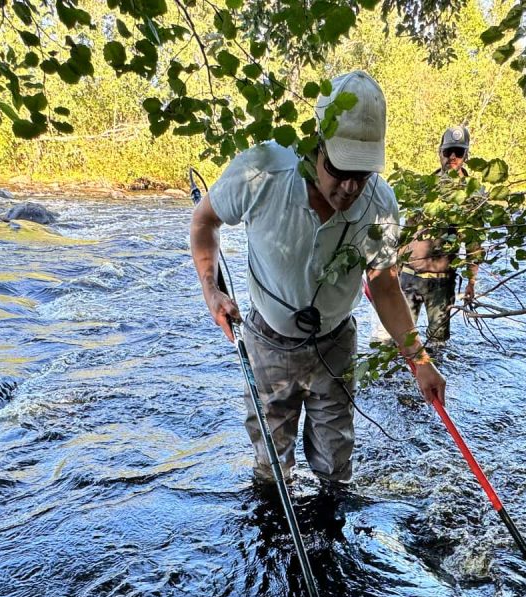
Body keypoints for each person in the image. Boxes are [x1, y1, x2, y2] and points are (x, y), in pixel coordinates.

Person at [190, 70, 446, 492]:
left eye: (362, 174)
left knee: (336, 468)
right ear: (316, 145)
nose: (348, 188)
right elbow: (204, 221)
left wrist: (420, 361)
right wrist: (211, 289)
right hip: (268, 341)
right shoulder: (262, 171)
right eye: (339, 168)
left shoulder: (380, 203)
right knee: (272, 468)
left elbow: (383, 285)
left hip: (335, 344)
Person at [397, 125, 483, 347]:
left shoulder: (472, 195)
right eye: (448, 152)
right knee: (401, 343)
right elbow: (406, 230)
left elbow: (474, 242)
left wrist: (472, 281)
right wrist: (393, 266)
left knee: (437, 346)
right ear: (440, 153)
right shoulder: (424, 187)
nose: (452, 157)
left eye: (459, 152)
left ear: (466, 156)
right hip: (409, 276)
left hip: (442, 283)